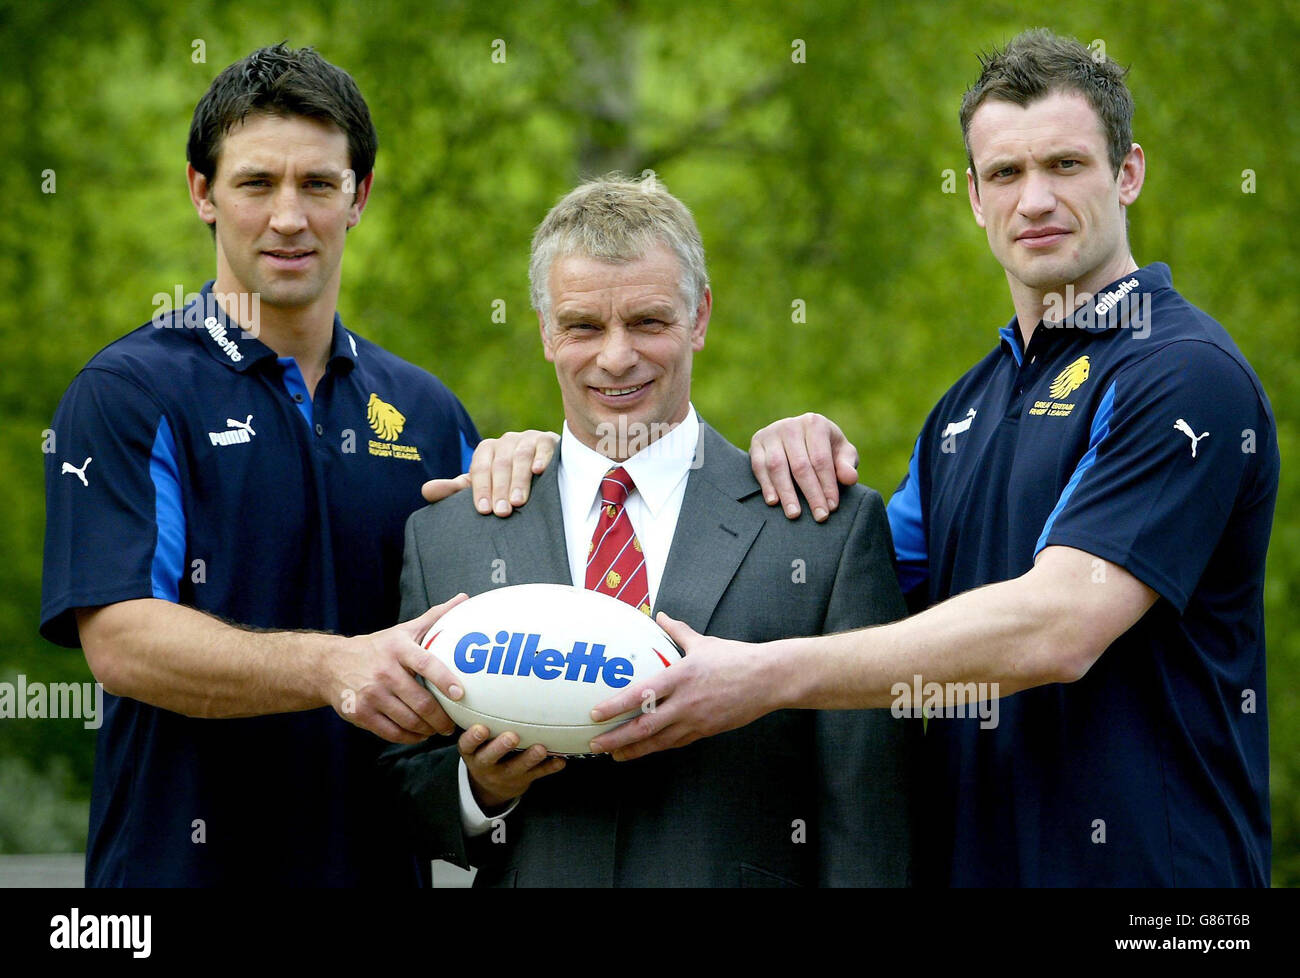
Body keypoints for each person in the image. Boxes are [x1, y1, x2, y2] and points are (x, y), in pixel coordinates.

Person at [461, 30, 1279, 887]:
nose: (1035, 199)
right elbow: (841, 592)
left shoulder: (1183, 374)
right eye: (1005, 173)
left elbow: (1061, 627)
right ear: (974, 196)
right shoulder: (965, 408)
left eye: (1065, 165)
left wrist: (765, 678)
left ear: (1128, 173)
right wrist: (588, 474)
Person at [382, 175, 917, 887]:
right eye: (583, 326)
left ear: (699, 317)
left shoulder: (824, 530)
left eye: (648, 322)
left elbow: (868, 819)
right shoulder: (450, 537)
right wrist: (480, 789)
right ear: (545, 331)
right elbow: (399, 791)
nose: (615, 357)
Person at [40, 43, 476, 886]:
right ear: (202, 193)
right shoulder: (128, 393)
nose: (288, 217)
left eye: (317, 184)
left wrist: (542, 459)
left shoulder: (429, 414)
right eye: (256, 183)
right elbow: (124, 644)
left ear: (359, 196)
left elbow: (494, 626)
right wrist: (332, 667)